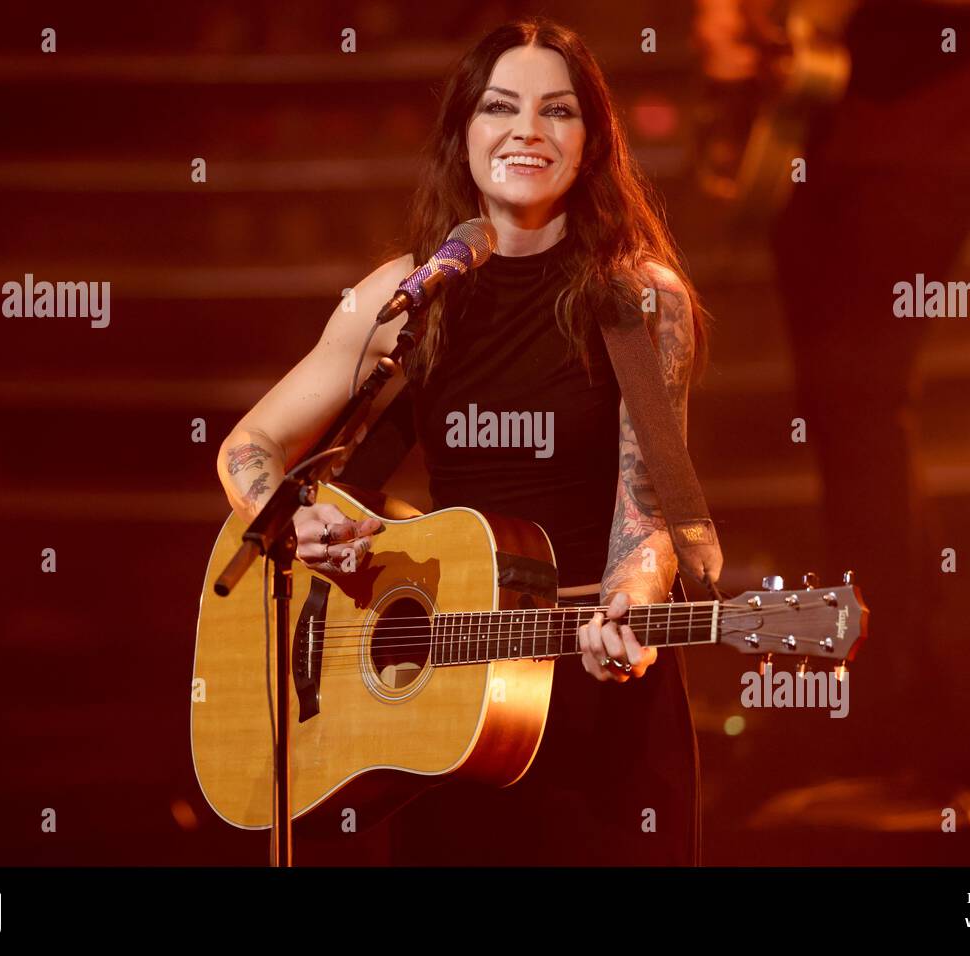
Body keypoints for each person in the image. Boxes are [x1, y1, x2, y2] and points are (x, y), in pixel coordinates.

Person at [216, 16, 715, 865]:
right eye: (499, 107)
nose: (527, 130)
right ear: (463, 134)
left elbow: (651, 503)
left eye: (557, 111)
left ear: (591, 144)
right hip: (444, 711)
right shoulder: (410, 296)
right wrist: (288, 515)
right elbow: (250, 443)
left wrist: (630, 606)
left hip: (597, 700)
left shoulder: (639, 298)